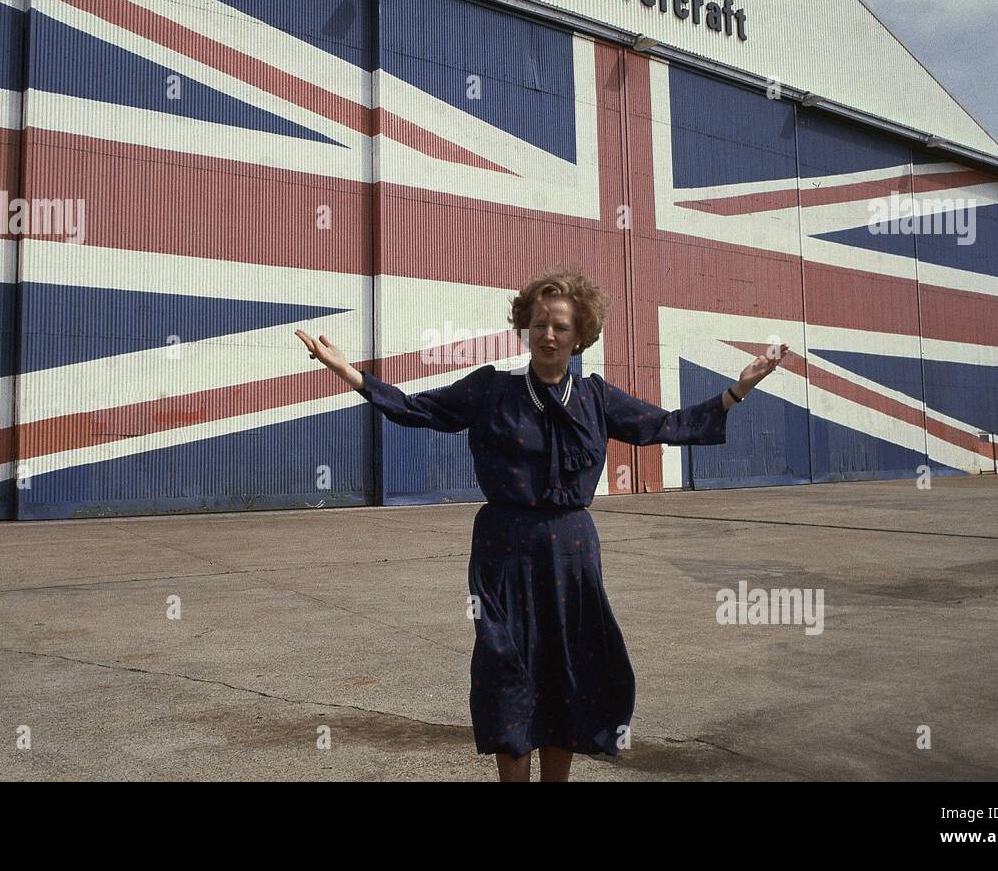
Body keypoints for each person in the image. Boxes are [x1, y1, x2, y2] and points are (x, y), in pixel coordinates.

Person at [296, 270, 787, 782]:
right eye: (538, 325)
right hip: (502, 548)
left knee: (566, 670)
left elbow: (664, 425)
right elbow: (421, 410)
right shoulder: (491, 389)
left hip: (572, 552)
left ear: (580, 336)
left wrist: (736, 392)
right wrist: (350, 374)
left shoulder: (597, 397)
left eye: (559, 326)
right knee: (504, 668)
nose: (548, 335)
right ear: (525, 329)